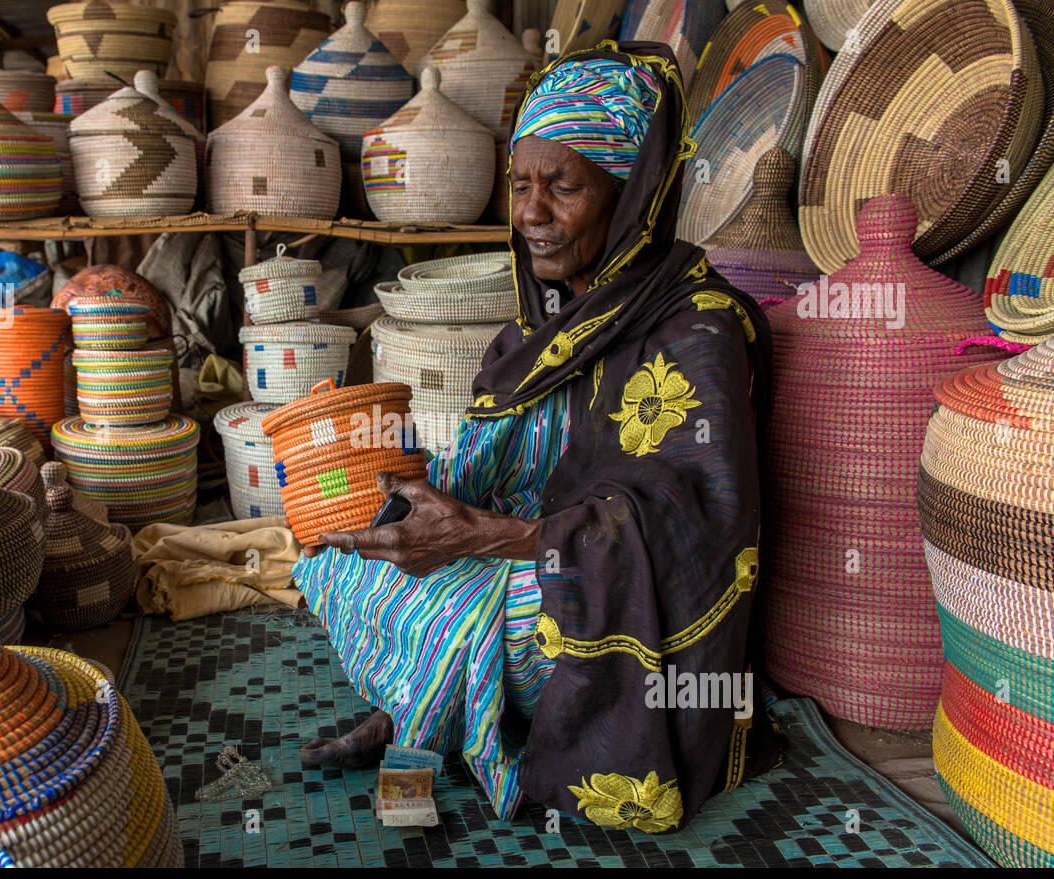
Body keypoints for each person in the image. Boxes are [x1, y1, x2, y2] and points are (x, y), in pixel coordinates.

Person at [293, 40, 779, 829]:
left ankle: (417, 730)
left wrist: (497, 537)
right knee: (336, 570)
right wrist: (423, 503)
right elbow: (492, 471)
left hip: (619, 600)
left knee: (459, 616)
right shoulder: (541, 326)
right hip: (519, 547)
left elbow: (697, 527)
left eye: (565, 186)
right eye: (521, 184)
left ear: (630, 194)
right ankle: (439, 696)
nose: (530, 213)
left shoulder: (699, 327)